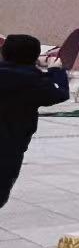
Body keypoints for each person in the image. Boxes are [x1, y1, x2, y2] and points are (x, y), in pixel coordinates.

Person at [0, 35, 69, 211]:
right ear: (34, 55)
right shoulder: (35, 82)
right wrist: (55, 70)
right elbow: (60, 93)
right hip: (10, 148)